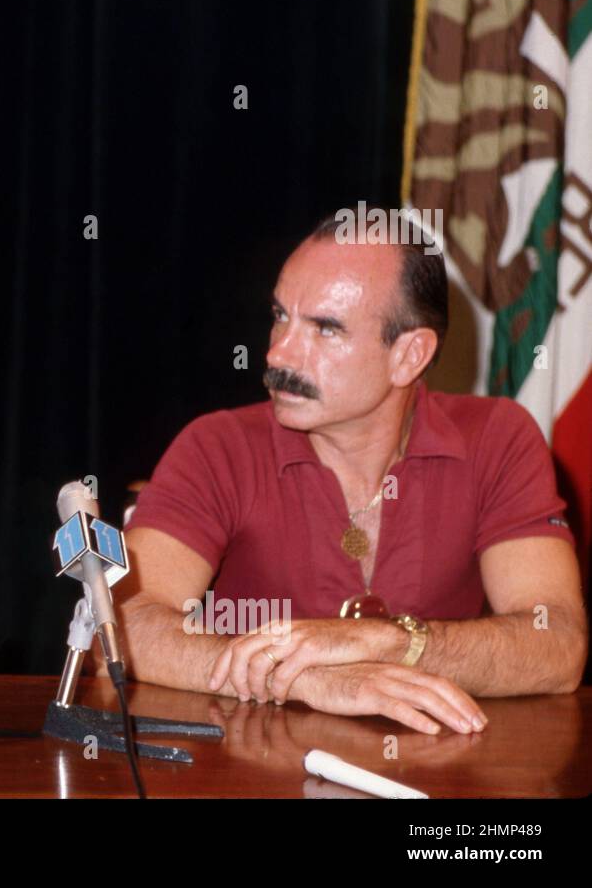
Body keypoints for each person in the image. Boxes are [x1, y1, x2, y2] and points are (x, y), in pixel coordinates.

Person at [117, 211, 587, 735]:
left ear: (409, 355)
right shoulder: (217, 445)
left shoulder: (498, 437)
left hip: (434, 782)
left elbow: (558, 643)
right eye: (280, 316)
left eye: (325, 328)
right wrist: (300, 677)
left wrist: (390, 642)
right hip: (252, 778)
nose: (278, 352)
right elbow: (124, 629)